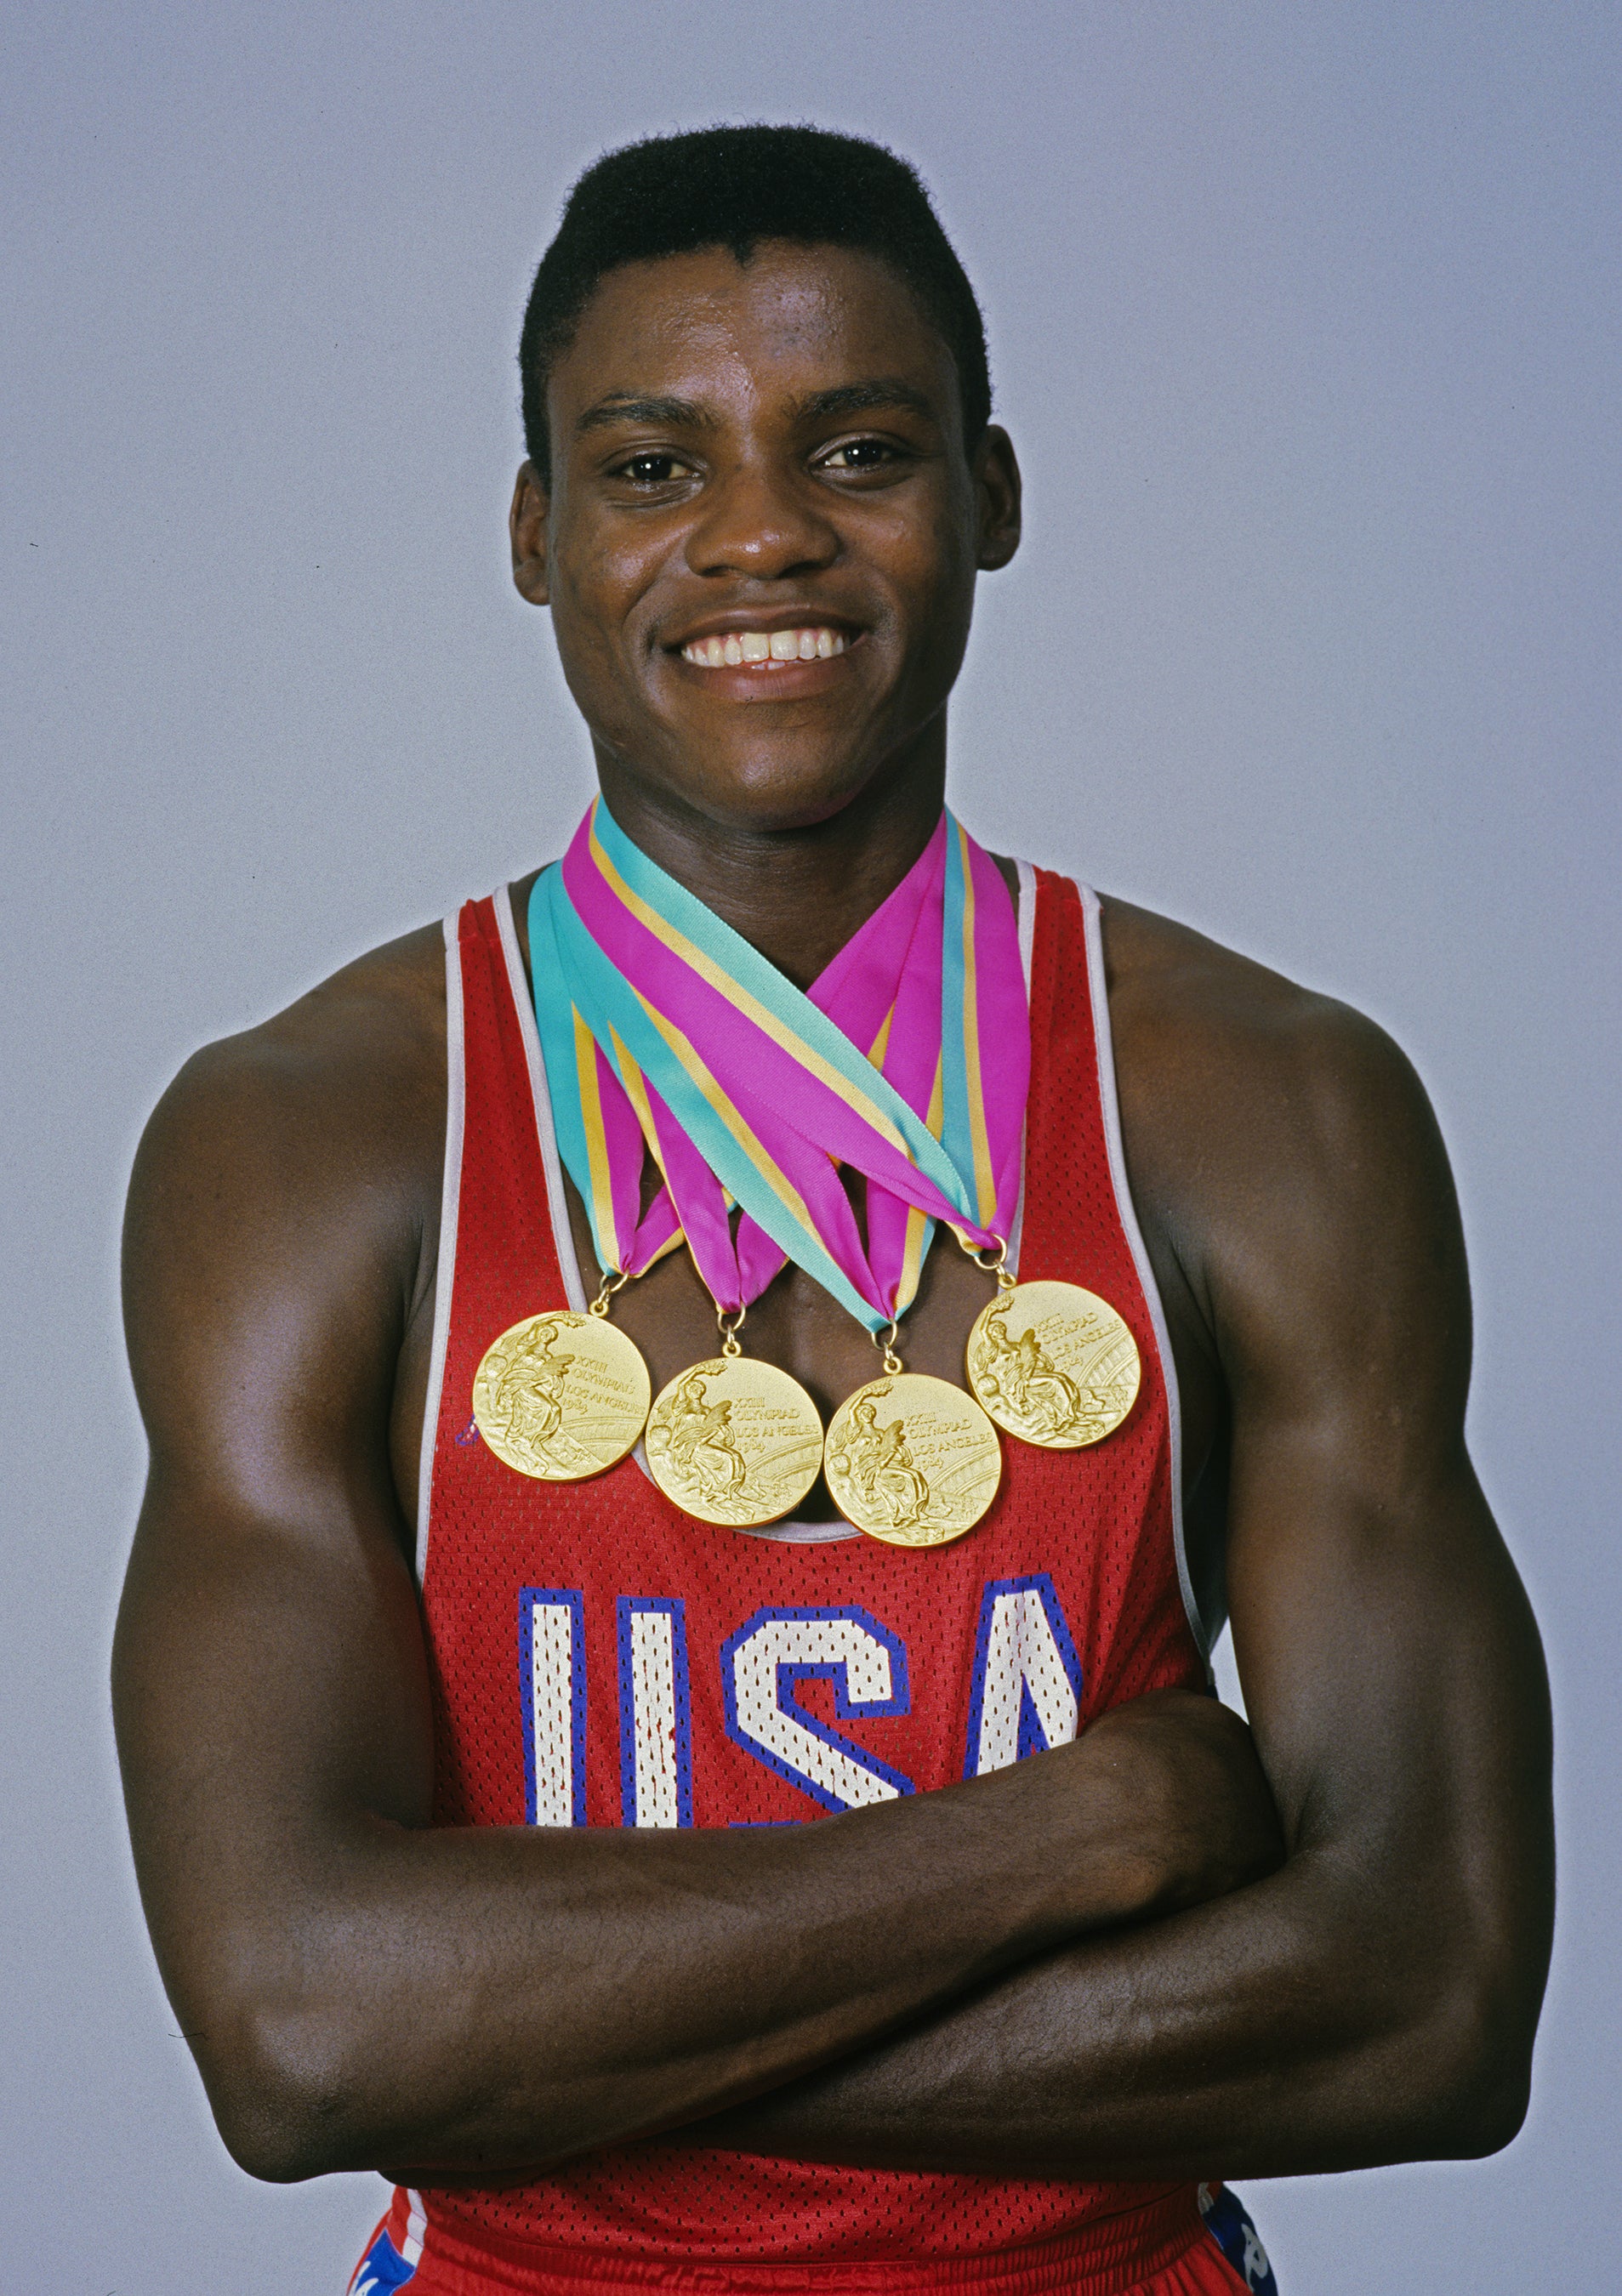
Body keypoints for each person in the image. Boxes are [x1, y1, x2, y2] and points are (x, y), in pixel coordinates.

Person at [112, 126, 1553, 2296]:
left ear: (992, 494)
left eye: (858, 450)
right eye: (652, 467)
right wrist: (1084, 1829)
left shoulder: (1269, 1110)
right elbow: (306, 2036)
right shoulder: (309, 1142)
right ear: (536, 534)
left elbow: (1429, 2006)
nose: (761, 533)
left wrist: (534, 2044)